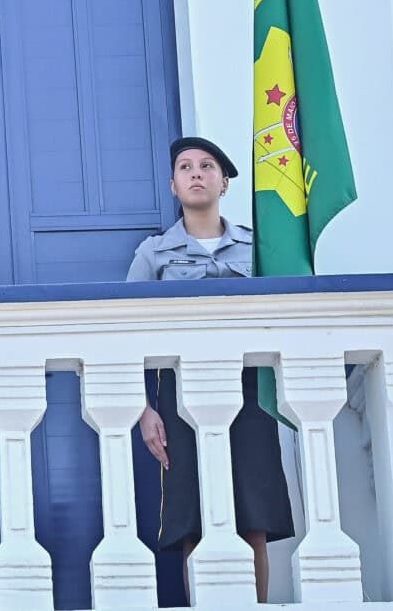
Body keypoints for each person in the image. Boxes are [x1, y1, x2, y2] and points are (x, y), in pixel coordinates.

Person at [126, 135, 295, 604]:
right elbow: (123, 338)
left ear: (224, 182)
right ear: (173, 185)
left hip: (250, 396)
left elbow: (286, 318)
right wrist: (144, 411)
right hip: (181, 398)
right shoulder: (154, 254)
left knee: (252, 519)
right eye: (185, 167)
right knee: (193, 521)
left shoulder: (258, 249)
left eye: (207, 166)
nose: (196, 173)